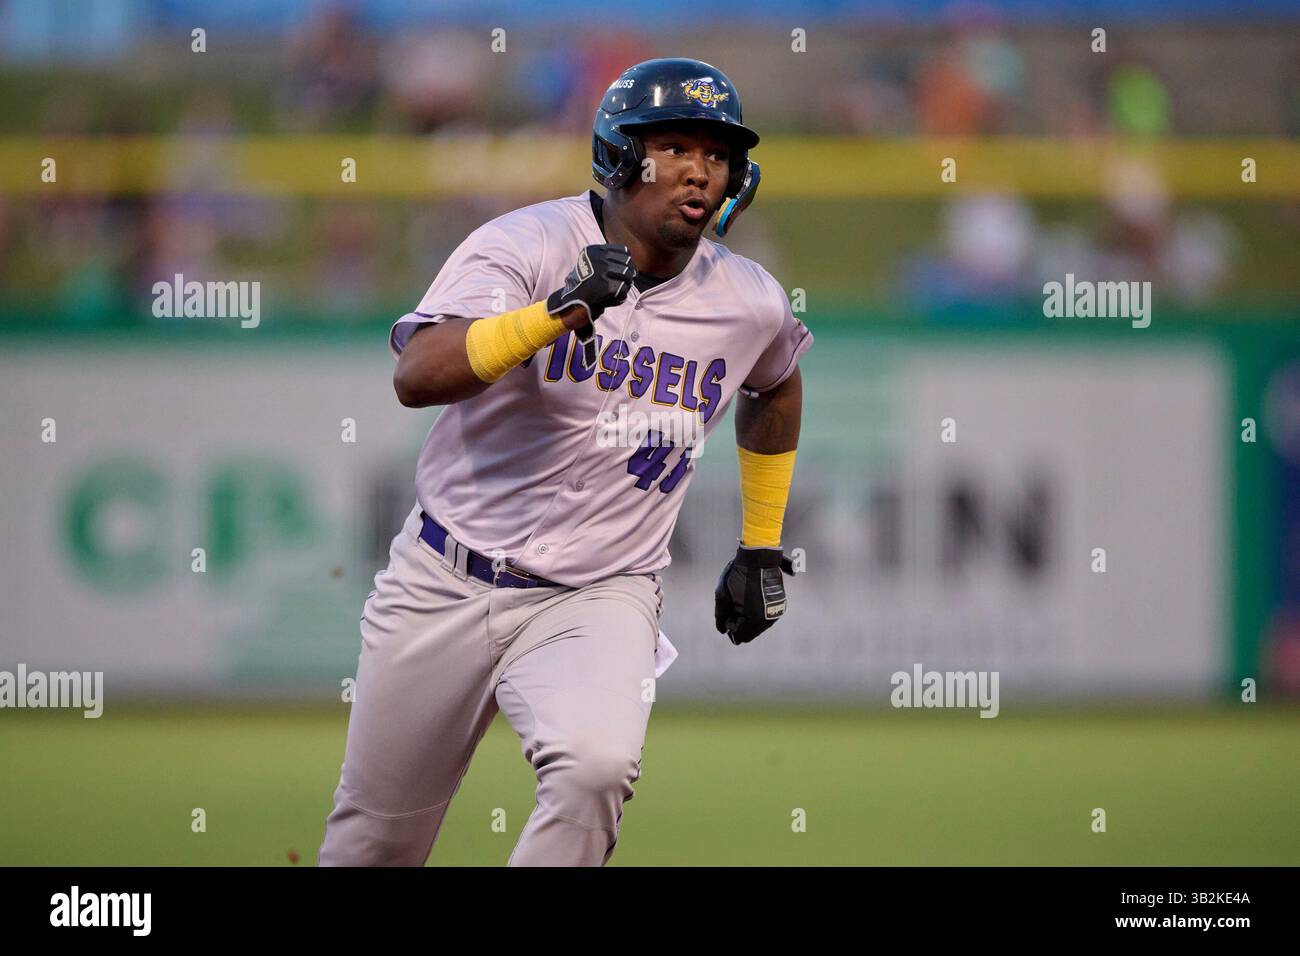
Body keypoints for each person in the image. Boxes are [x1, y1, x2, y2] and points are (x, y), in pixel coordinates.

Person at [319, 57, 811, 866]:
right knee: (375, 842)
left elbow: (778, 383)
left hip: (600, 591)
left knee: (596, 769)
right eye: (676, 146)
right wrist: (553, 314)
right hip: (445, 576)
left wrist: (761, 542)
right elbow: (419, 374)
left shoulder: (749, 298)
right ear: (619, 155)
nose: (699, 170)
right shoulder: (526, 244)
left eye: (718, 154)